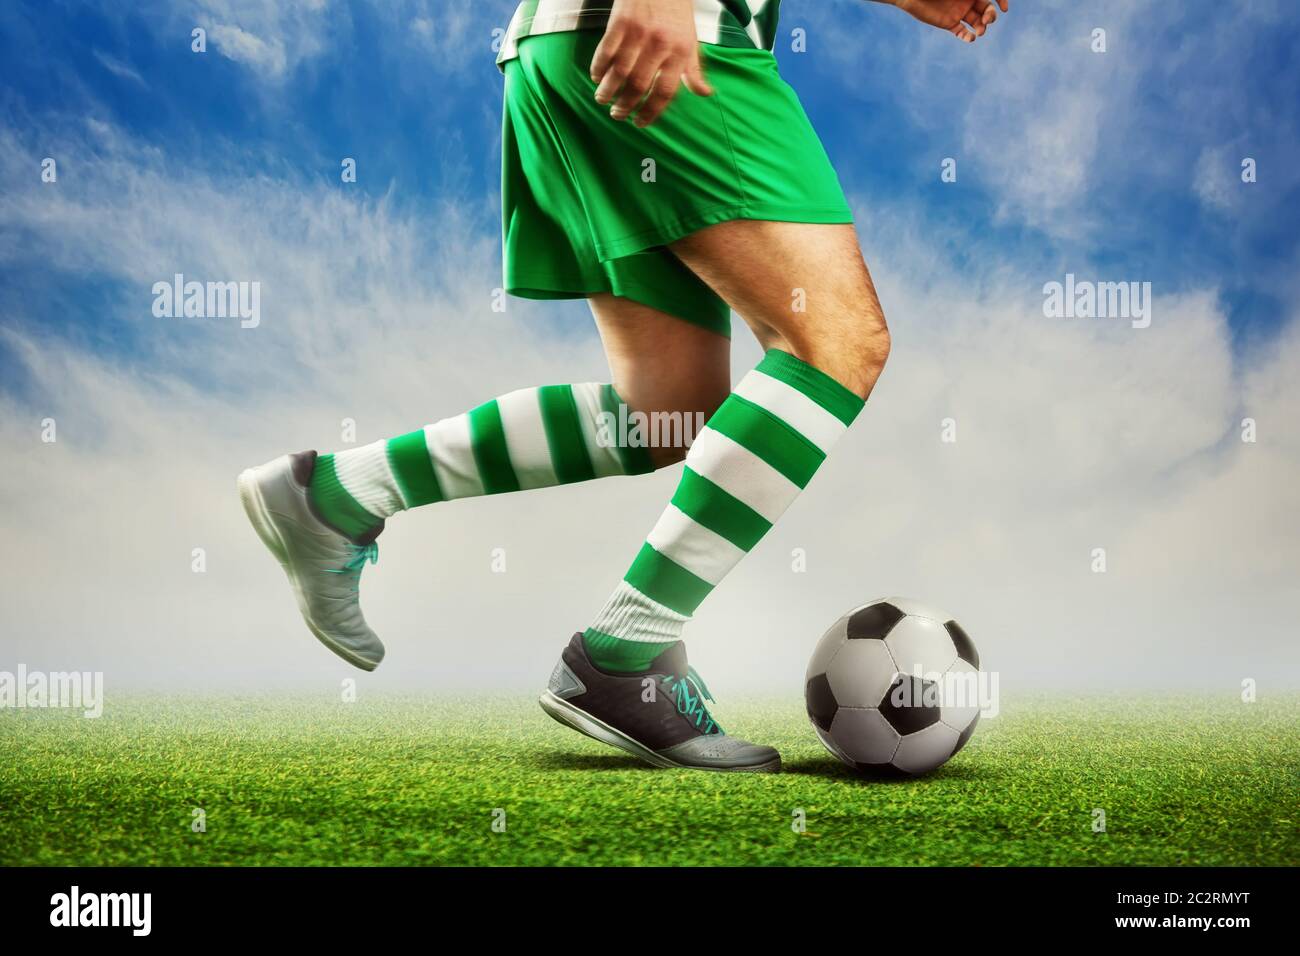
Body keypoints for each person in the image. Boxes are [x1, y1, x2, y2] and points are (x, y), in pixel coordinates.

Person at [238, 0, 1010, 773]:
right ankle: (623, 654)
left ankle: (340, 493)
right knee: (836, 342)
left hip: (573, 45)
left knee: (664, 413)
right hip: (664, 33)